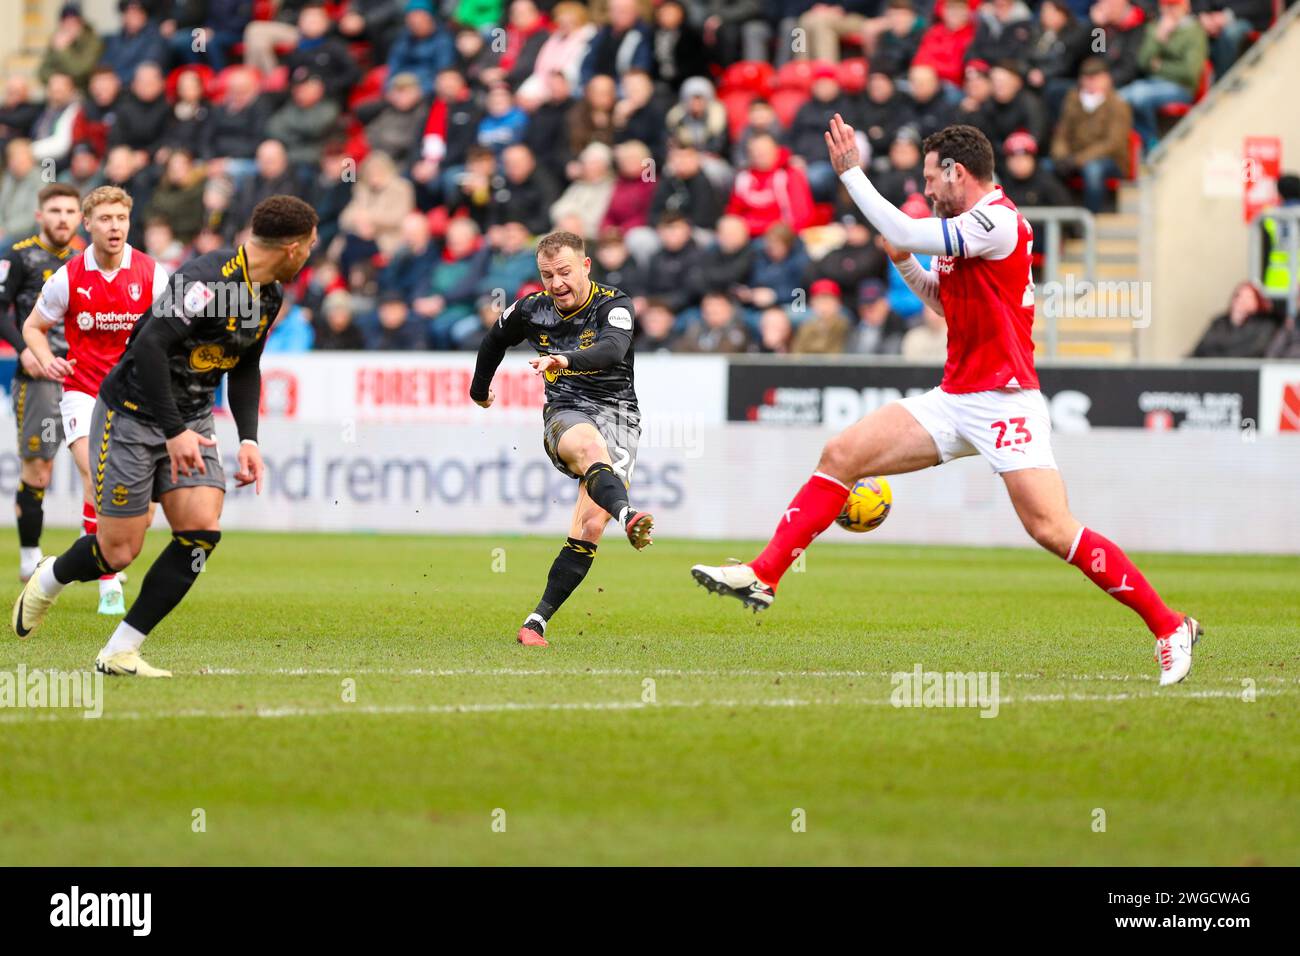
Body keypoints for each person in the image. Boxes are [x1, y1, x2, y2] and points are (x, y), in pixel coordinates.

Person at [691, 119, 1202, 687]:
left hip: (1006, 400)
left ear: (957, 172)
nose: (928, 188)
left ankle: (1169, 624)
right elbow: (943, 303)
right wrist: (905, 264)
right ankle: (764, 574)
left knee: (1052, 528)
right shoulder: (965, 228)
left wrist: (851, 175)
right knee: (842, 452)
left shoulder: (998, 220)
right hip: (956, 397)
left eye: (931, 177)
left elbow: (903, 226)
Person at [13, 196, 319, 678]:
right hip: (132, 412)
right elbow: (152, 346)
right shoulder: (205, 279)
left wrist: (249, 439)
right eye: (311, 245)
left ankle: (120, 649)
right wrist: (172, 431)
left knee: (200, 534)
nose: (311, 255)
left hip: (192, 417)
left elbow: (245, 368)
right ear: (294, 247)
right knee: (117, 552)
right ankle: (49, 577)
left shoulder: (269, 294)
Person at [469, 230, 655, 648]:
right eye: (547, 275)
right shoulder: (532, 309)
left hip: (621, 416)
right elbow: (493, 340)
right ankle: (628, 515)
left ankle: (535, 622)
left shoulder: (615, 304)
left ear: (586, 266)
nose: (556, 284)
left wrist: (563, 358)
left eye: (565, 272)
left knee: (589, 526)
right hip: (567, 411)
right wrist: (479, 390)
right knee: (589, 448)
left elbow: (610, 349)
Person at [20, 185, 170, 615]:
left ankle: (100, 558)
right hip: (84, 392)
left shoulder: (152, 273)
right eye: (105, 219)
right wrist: (47, 359)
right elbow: (33, 327)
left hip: (137, 398)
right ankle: (108, 581)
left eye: (121, 219)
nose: (114, 227)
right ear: (89, 225)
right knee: (99, 477)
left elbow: (172, 332)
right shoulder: (68, 277)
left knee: (139, 515)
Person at [0, 184, 82, 582]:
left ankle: (99, 557)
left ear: (80, 217)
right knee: (38, 469)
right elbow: (1, 311)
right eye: (55, 210)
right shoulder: (17, 256)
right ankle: (30, 557)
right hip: (38, 377)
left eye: (70, 211)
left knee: (99, 467)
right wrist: (24, 350)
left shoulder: (86, 261)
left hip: (86, 376)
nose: (63, 218)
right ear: (40, 216)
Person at [1189, 281, 1276, 357]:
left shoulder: (1265, 325)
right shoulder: (1220, 323)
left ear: (1258, 302)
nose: (1241, 302)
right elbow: (1202, 349)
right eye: (1238, 297)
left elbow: (1254, 351)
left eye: (1247, 298)